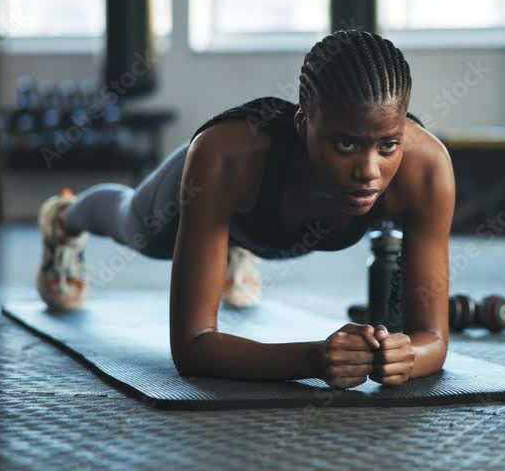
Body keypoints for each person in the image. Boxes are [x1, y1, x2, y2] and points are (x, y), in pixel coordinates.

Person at [35, 30, 455, 389]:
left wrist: (406, 356)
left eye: (388, 146)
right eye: (345, 144)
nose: (369, 172)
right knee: (137, 226)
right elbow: (193, 347)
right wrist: (314, 358)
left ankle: (230, 248)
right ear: (303, 123)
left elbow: (433, 339)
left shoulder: (427, 170)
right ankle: (64, 217)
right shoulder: (226, 156)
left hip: (261, 223)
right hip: (208, 195)